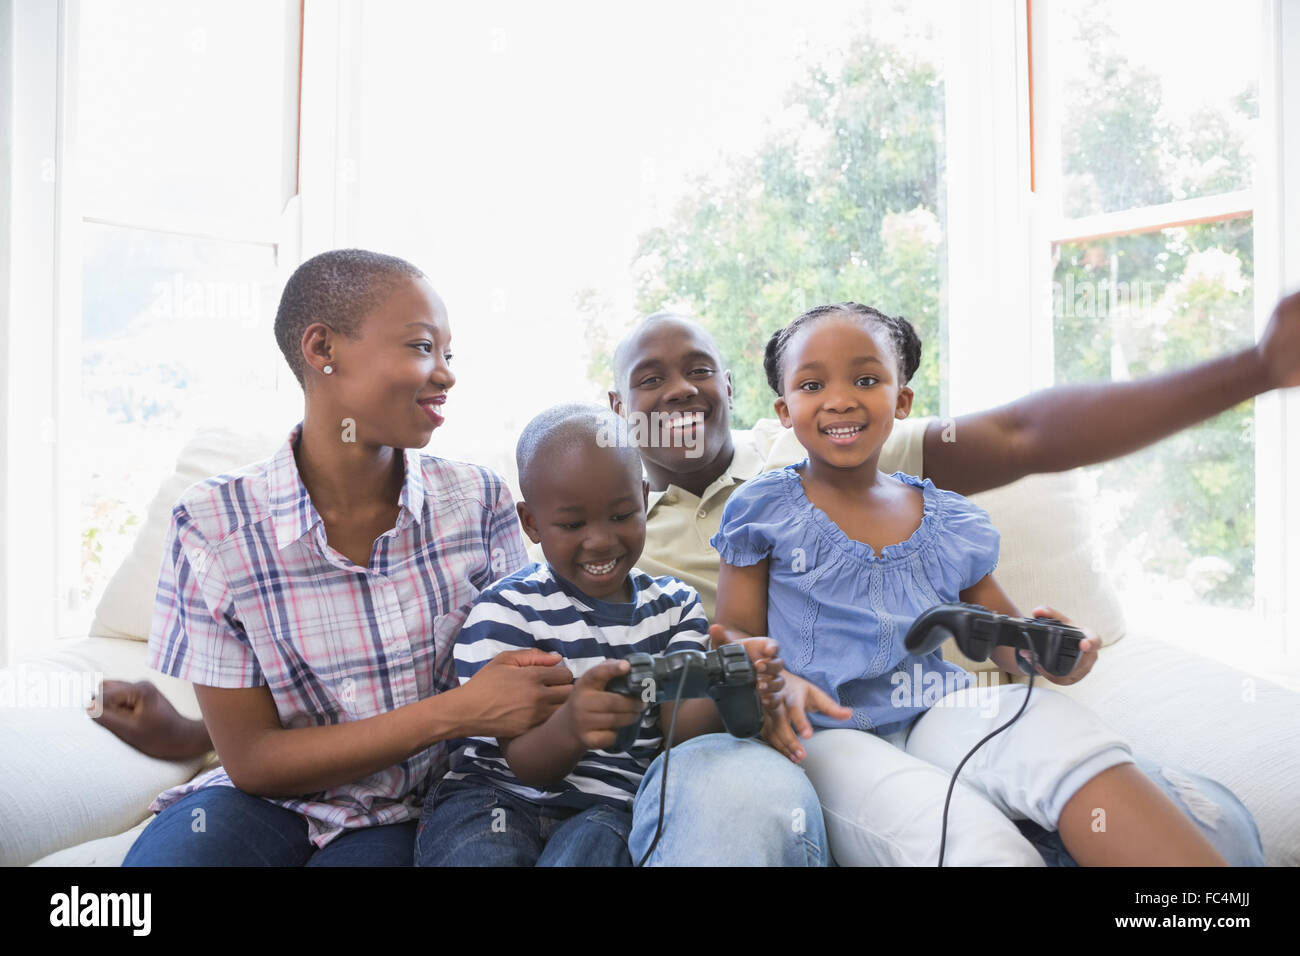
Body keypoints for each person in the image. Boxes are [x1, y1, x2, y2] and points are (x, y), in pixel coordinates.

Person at [100, 289, 1297, 864]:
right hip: (690, 747)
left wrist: (1248, 368)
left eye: (700, 369)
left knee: (1176, 809)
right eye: (647, 382)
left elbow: (1032, 436)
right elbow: (435, 674)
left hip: (871, 718)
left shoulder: (823, 458)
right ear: (618, 420)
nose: (677, 393)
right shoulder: (557, 524)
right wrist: (199, 743)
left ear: (749, 393)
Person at [710, 301, 1226, 865]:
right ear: (785, 410)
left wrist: (1051, 651)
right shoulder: (762, 508)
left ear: (901, 399)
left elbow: (1004, 635)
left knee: (1059, 734)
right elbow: (733, 629)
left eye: (866, 379)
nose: (839, 399)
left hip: (937, 712)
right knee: (961, 833)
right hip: (825, 733)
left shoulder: (950, 520)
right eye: (812, 385)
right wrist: (773, 679)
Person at [121, 249, 574, 865]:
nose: (445, 374)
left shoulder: (478, 500)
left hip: (410, 810)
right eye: (420, 347)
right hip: (263, 801)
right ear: (321, 349)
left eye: (448, 353)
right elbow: (251, 760)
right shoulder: (212, 524)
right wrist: (453, 712)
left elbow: (519, 685)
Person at [414, 404, 787, 866]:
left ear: (644, 498)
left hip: (606, 808)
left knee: (594, 848)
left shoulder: (675, 607)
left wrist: (726, 681)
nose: (601, 540)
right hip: (496, 797)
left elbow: (680, 731)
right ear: (531, 523)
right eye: (572, 525)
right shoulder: (506, 611)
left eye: (621, 515)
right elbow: (524, 762)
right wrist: (571, 727)